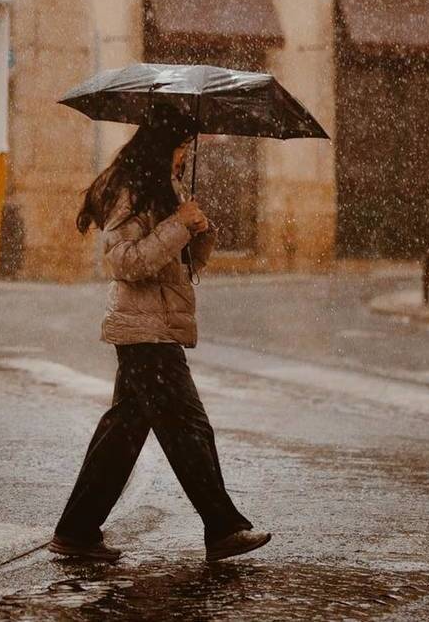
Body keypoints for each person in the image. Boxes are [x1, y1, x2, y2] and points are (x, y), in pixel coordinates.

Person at [49, 123, 271, 563]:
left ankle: (75, 531)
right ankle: (223, 527)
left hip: (157, 326)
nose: (183, 157)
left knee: (123, 435)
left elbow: (180, 266)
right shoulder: (128, 192)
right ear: (159, 147)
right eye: (180, 147)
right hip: (143, 332)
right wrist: (176, 225)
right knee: (189, 429)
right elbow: (126, 262)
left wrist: (199, 231)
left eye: (187, 148)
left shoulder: (163, 187)